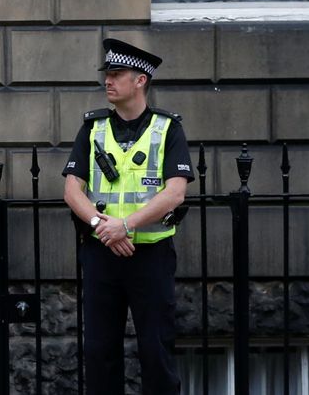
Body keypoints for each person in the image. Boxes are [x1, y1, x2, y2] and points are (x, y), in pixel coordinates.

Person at [62, 39, 194, 395]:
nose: (108, 81)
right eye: (107, 74)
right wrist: (101, 227)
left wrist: (125, 226)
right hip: (102, 254)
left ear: (141, 80)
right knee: (100, 351)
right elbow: (72, 190)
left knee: (156, 350)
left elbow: (175, 192)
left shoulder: (168, 129)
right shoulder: (93, 128)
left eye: (117, 74)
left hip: (150, 255)